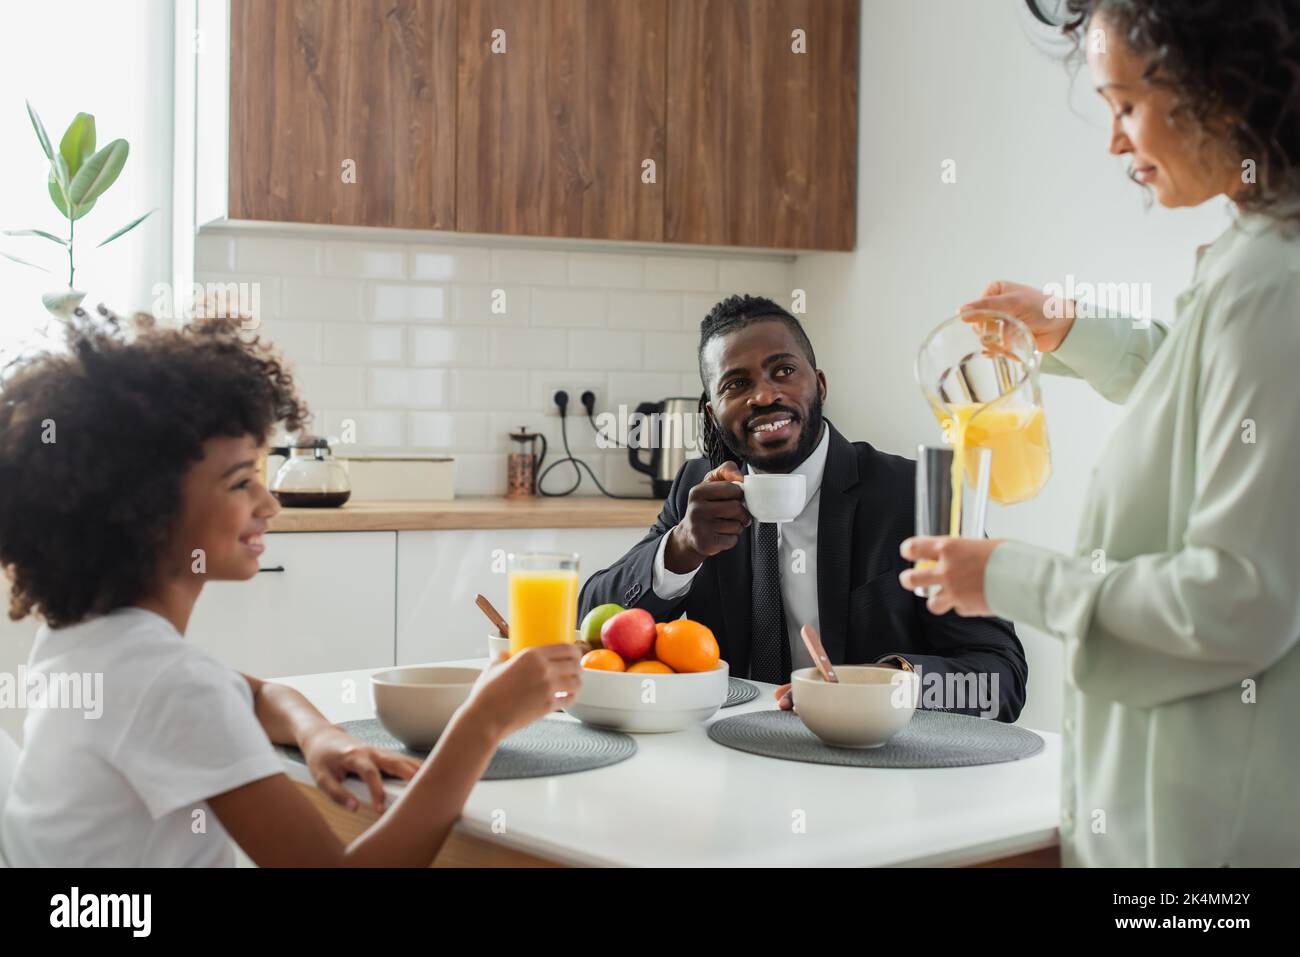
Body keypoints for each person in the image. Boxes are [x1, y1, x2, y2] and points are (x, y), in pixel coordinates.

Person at [899, 0, 1300, 865]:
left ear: (1218, 85)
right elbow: (1201, 395)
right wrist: (1067, 327)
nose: (1116, 142)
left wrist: (1012, 576)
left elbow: (1239, 601)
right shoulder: (1256, 255)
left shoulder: (1274, 283)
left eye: (1123, 104)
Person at [0, 310, 580, 866]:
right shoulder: (169, 684)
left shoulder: (84, 640)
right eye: (241, 482)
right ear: (147, 513)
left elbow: (254, 696)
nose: (269, 503)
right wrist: (482, 722)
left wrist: (320, 735)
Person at [580, 295, 1027, 721]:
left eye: (784, 371)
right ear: (712, 412)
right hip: (731, 755)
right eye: (737, 384)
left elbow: (998, 681)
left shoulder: (914, 495)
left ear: (820, 384)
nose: (763, 395)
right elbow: (594, 625)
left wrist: (888, 686)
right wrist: (679, 550)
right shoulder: (699, 490)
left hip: (872, 769)